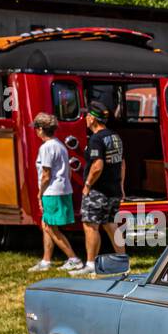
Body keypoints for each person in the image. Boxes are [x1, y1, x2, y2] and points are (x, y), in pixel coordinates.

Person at [27, 112, 83, 273]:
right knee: (47, 224)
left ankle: (73, 258)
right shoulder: (60, 145)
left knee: (50, 227)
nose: (36, 131)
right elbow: (70, 172)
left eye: (36, 128)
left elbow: (46, 174)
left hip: (52, 191)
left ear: (40, 129)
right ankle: (46, 260)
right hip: (63, 189)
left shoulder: (46, 147)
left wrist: (40, 193)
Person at [80, 105, 125, 273]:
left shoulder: (96, 139)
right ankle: (122, 260)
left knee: (90, 224)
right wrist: (121, 186)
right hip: (114, 189)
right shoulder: (115, 136)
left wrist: (87, 185)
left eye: (86, 116)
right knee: (111, 224)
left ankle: (91, 264)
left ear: (92, 118)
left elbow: (97, 165)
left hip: (98, 191)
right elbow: (122, 162)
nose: (85, 119)